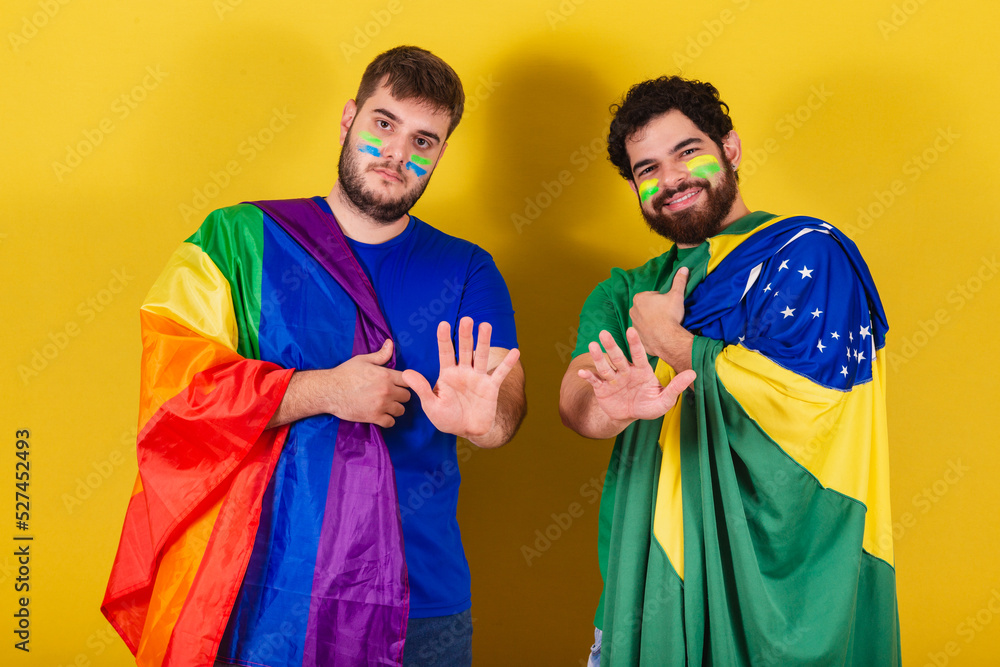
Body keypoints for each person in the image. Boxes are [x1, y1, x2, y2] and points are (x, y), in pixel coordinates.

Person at [102, 46, 526, 667]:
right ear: (349, 119)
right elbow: (175, 397)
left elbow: (506, 411)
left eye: (424, 141)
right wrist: (322, 391)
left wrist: (483, 422)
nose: (397, 153)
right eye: (384, 124)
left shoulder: (465, 268)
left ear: (439, 155)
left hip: (421, 606)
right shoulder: (240, 241)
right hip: (266, 592)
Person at [559, 76, 899, 666]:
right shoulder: (628, 291)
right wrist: (609, 407)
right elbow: (578, 407)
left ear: (730, 150)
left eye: (687, 152)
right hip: (645, 589)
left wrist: (678, 347)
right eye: (647, 170)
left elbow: (814, 403)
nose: (671, 180)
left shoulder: (809, 254)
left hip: (792, 586)